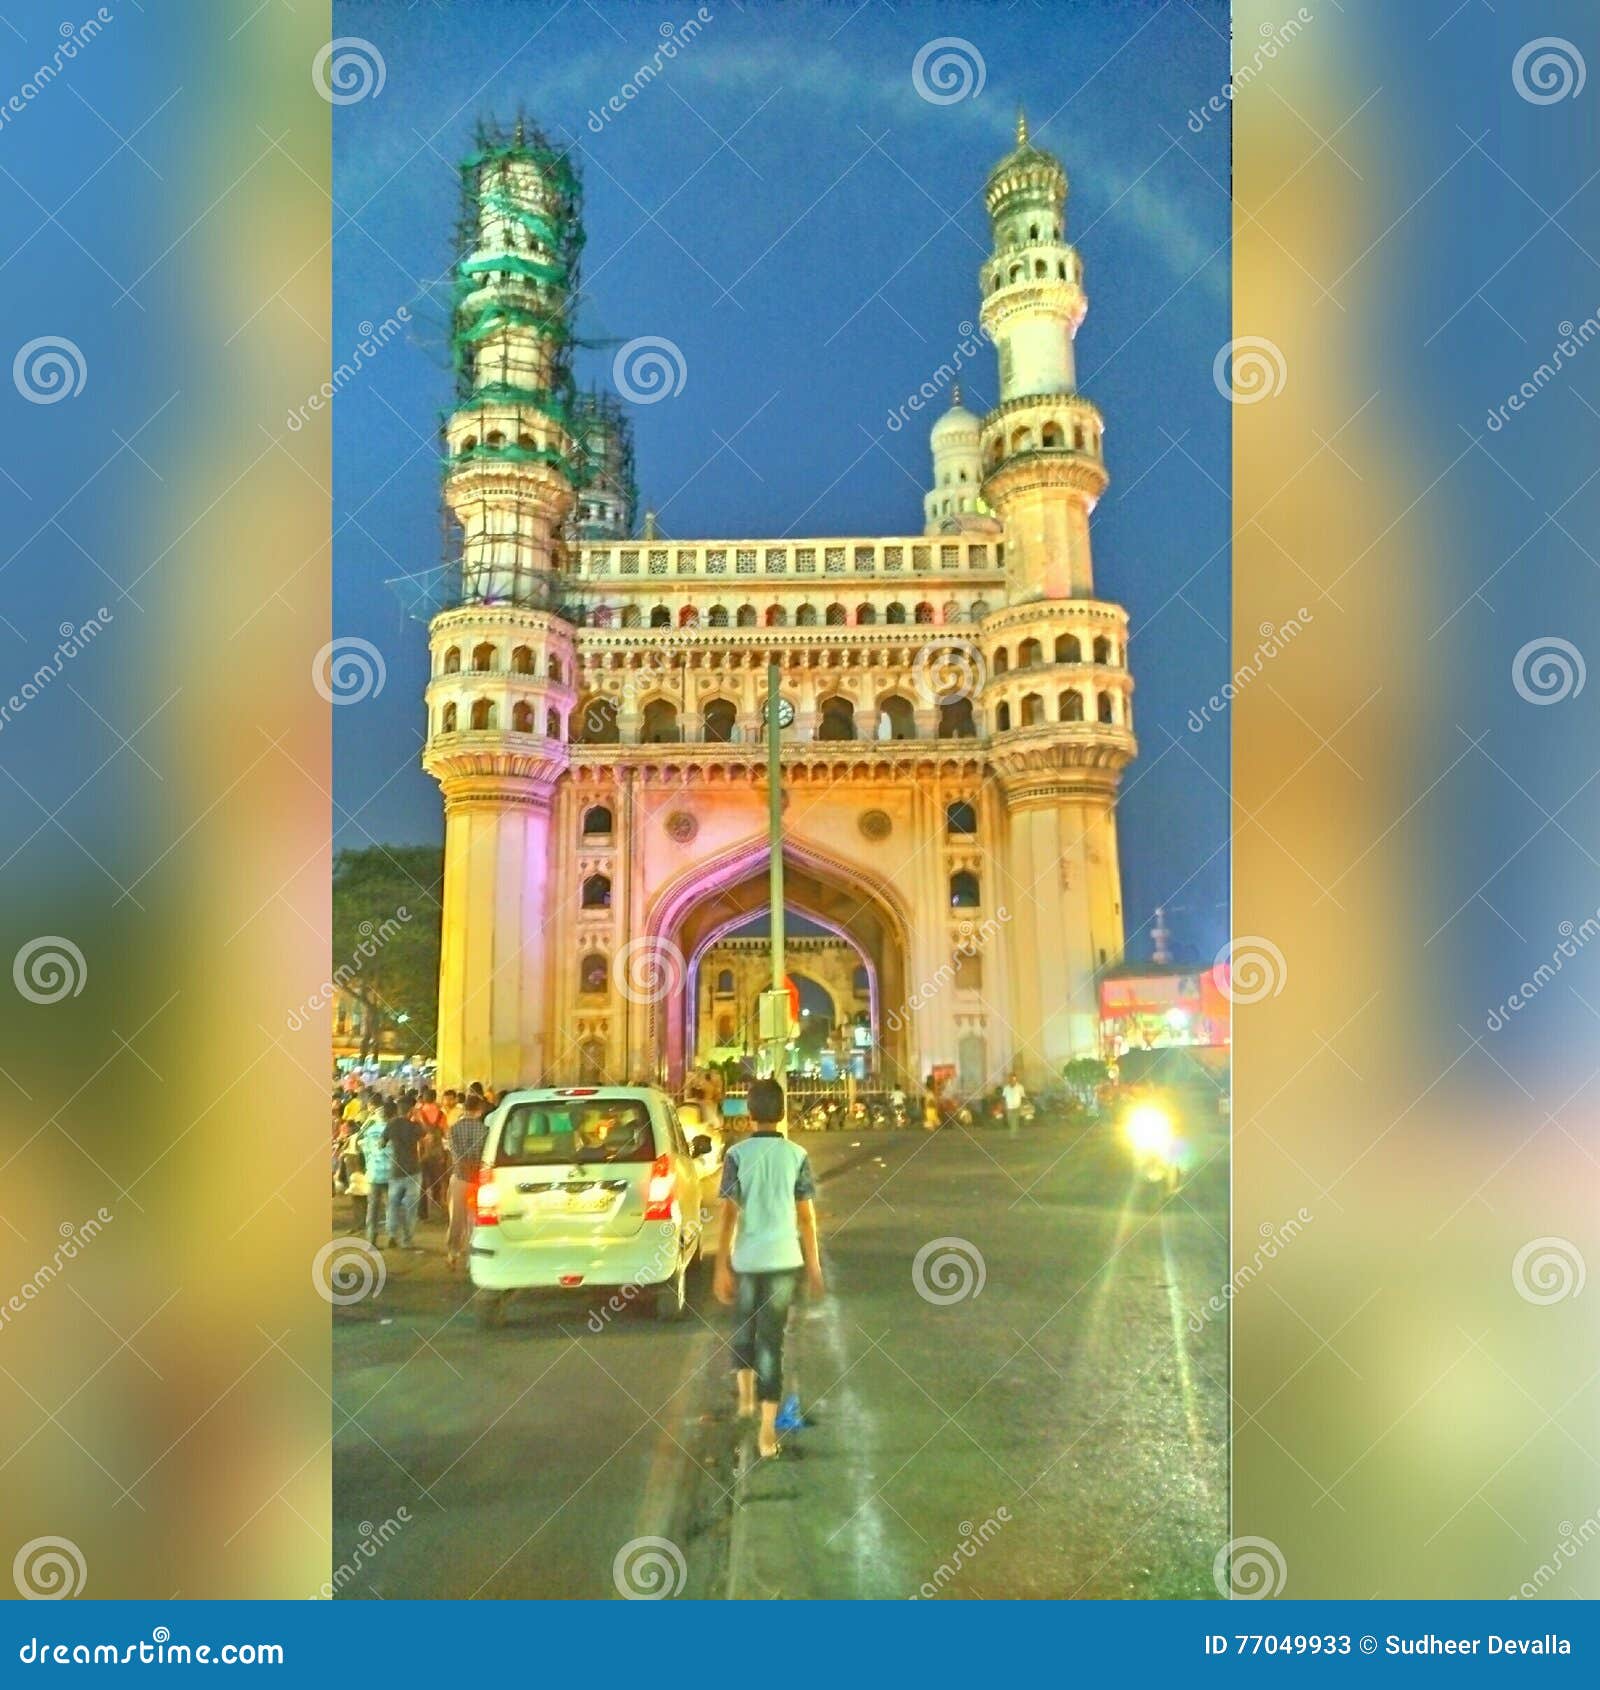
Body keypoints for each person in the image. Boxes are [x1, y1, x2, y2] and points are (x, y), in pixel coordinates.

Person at [713, 1078, 824, 1460]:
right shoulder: (797, 1155)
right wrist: (814, 1267)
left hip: (747, 1258)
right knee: (771, 1345)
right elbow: (807, 1219)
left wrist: (720, 1265)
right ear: (782, 1113)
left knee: (744, 1330)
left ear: (749, 1113)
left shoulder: (737, 1155)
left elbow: (727, 1217)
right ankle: (765, 1434)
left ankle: (745, 1400)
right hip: (783, 1261)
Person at [444, 1093, 490, 1271]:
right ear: (479, 1110)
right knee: (475, 1220)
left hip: (460, 1178)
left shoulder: (453, 1129)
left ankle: (453, 1254)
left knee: (457, 1219)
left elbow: (454, 1155)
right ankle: (472, 1259)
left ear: (464, 1108)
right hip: (478, 1180)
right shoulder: (485, 1130)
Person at [380, 1099, 424, 1250]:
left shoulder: (391, 1124)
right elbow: (425, 1134)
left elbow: (381, 1143)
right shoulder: (414, 1126)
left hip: (396, 1170)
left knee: (393, 1205)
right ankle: (407, 1240)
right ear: (410, 1111)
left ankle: (392, 1235)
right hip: (413, 1171)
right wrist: (418, 1117)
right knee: (410, 1208)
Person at [359, 1101, 392, 1247]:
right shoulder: (392, 1130)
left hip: (373, 1173)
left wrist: (367, 1167)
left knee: (372, 1208)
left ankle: (371, 1238)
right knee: (390, 1207)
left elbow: (365, 1151)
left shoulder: (369, 1131)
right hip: (390, 1173)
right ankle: (392, 1236)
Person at [1002, 1071, 1027, 1139]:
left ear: (1016, 1079)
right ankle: (1014, 1133)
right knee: (1010, 1121)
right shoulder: (1006, 1088)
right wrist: (1004, 1106)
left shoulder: (1020, 1087)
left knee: (1014, 1121)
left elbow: (1023, 1096)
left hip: (1017, 1107)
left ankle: (1013, 1136)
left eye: (1013, 1079)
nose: (1012, 1080)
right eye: (1010, 1079)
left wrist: (1023, 1105)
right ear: (1009, 1079)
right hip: (1009, 1107)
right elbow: (1004, 1097)